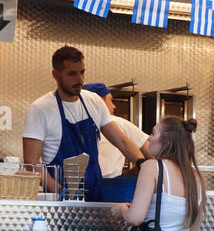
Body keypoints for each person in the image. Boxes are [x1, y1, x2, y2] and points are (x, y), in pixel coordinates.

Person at [21, 46, 146, 201]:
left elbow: (121, 141)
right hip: (60, 200)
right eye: (72, 74)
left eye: (82, 72)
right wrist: (61, 192)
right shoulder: (39, 109)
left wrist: (143, 164)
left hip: (94, 194)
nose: (79, 80)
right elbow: (32, 164)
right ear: (56, 75)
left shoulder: (93, 101)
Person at [86, 84, 149, 180]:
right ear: (99, 101)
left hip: (85, 186)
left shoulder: (74, 125)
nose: (114, 106)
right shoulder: (119, 123)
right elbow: (152, 155)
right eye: (110, 100)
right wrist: (125, 176)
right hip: (111, 185)